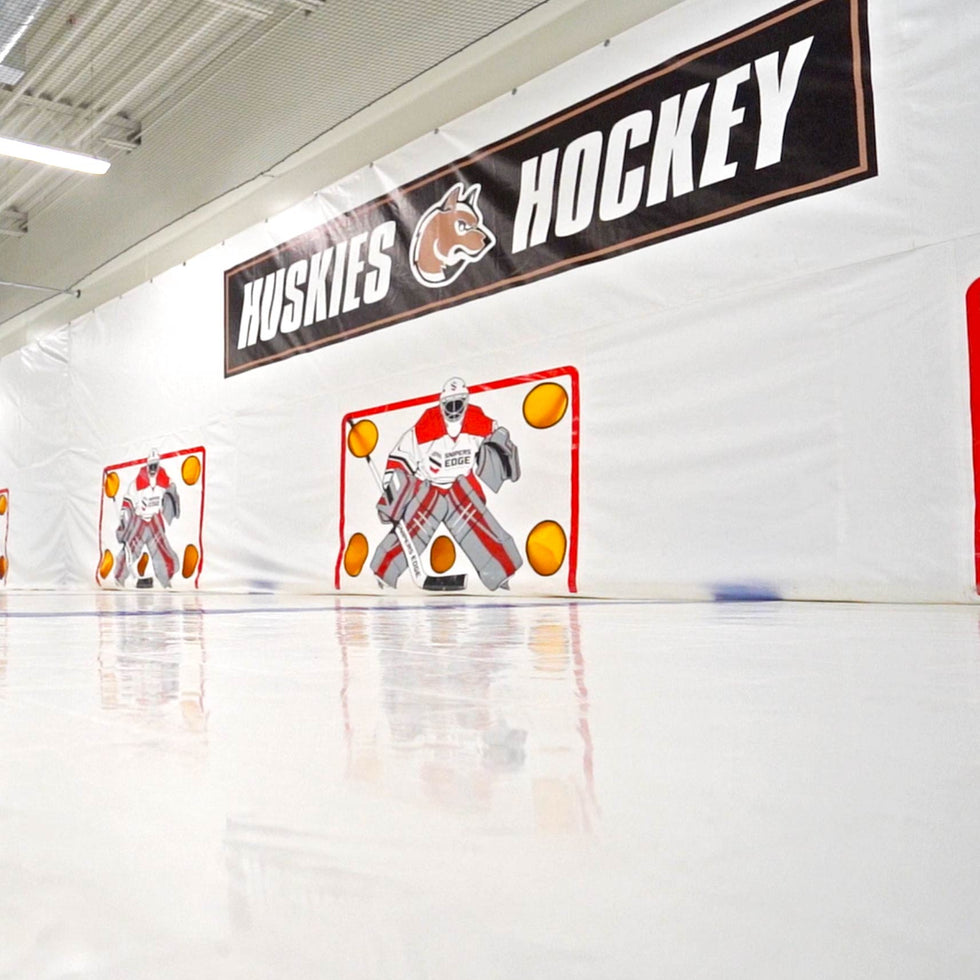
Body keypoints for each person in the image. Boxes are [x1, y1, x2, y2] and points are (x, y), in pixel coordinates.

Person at [371, 377, 523, 590]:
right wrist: (392, 488)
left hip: (461, 486)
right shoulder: (426, 427)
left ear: (466, 401)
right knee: (413, 529)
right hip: (430, 487)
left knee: (479, 528)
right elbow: (401, 456)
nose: (453, 409)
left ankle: (502, 573)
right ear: (442, 404)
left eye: (457, 403)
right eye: (448, 404)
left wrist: (500, 450)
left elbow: (497, 444)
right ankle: (383, 572)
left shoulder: (480, 423)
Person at [113, 448, 180, 588]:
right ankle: (119, 578)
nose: (153, 468)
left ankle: (166, 580)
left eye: (156, 465)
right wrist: (124, 518)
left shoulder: (165, 480)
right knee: (131, 549)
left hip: (154, 519)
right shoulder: (137, 483)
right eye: (151, 465)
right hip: (140, 520)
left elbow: (171, 492)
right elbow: (128, 501)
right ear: (147, 464)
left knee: (161, 550)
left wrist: (170, 496)